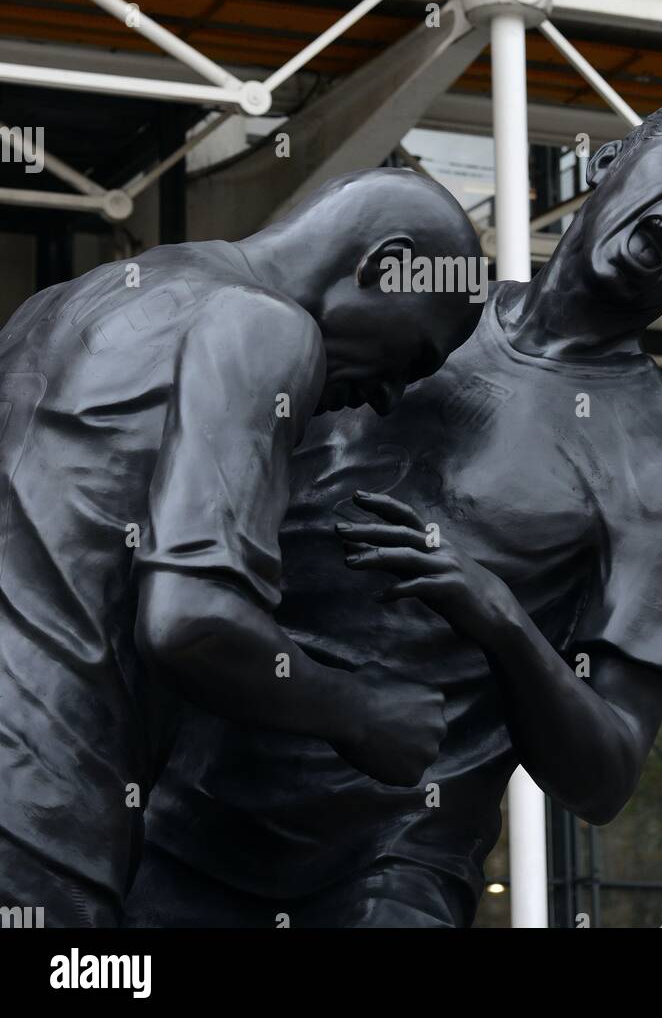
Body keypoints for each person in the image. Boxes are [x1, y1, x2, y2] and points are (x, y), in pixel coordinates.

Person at [128, 92, 662, 929]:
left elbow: (605, 776)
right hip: (172, 814)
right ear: (607, 161)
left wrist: (497, 617)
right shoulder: (411, 289)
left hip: (387, 867)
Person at [0, 168, 485, 927]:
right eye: (416, 358)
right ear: (383, 266)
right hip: (35, 801)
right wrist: (361, 713)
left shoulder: (61, 304)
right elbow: (190, 620)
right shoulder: (264, 325)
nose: (392, 396)